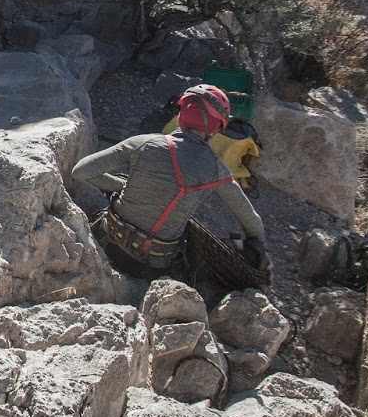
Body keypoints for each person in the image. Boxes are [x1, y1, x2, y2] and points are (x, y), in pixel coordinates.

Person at [72, 84, 265, 280]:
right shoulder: (217, 171)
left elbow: (81, 171)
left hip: (109, 243)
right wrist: (258, 250)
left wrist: (121, 186)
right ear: (216, 128)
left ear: (180, 115)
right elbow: (252, 220)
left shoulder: (142, 143)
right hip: (151, 266)